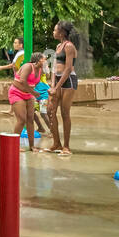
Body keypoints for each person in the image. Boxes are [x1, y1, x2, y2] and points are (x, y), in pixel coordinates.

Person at [8, 52, 50, 153]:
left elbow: (43, 79)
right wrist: (34, 93)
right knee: (22, 120)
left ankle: (32, 146)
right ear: (38, 60)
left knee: (30, 119)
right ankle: (14, 145)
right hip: (16, 93)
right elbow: (22, 81)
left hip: (28, 94)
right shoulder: (28, 66)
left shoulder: (40, 70)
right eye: (44, 59)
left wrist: (47, 69)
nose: (46, 61)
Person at [48, 20, 79, 155]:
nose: (53, 32)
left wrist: (57, 87)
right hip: (58, 81)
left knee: (65, 113)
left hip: (68, 80)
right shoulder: (58, 46)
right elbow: (55, 67)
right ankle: (56, 144)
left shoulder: (69, 47)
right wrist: (53, 84)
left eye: (55, 30)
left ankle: (66, 146)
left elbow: (67, 69)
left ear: (61, 32)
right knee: (50, 111)